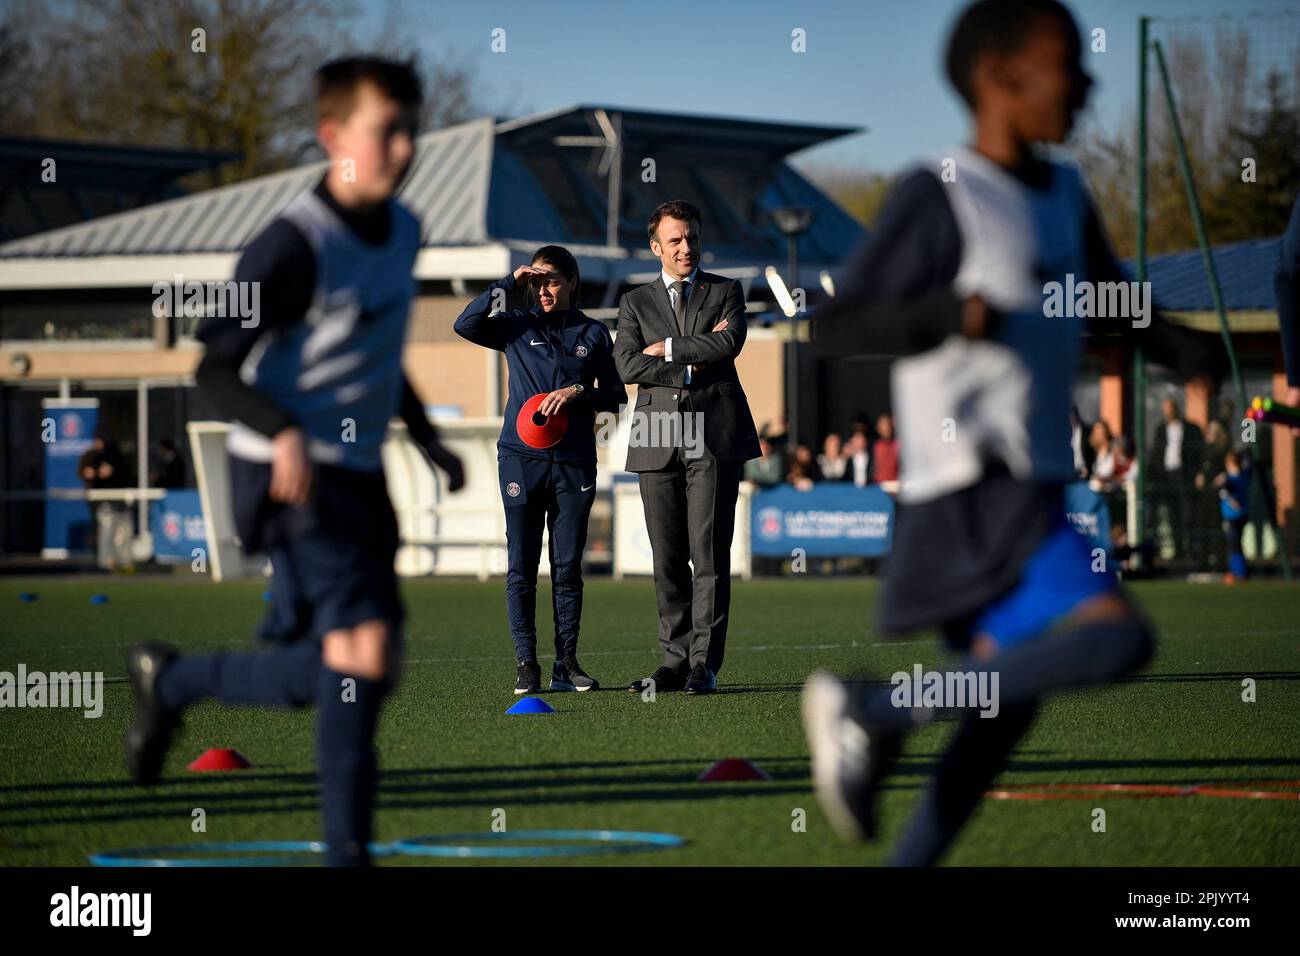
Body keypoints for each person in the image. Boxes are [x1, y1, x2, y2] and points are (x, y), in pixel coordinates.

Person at [799, 0, 1222, 866]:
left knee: (997, 713)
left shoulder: (1067, 190)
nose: (1088, 81)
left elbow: (1112, 303)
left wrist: (1188, 347)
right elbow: (836, 327)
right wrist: (947, 313)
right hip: (969, 487)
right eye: (1067, 62)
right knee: (1118, 638)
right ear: (999, 75)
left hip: (1031, 481)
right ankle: (875, 709)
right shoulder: (943, 190)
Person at [123, 57, 464, 867]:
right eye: (388, 131)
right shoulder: (291, 245)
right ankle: (349, 855)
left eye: (413, 130)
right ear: (332, 136)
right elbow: (210, 365)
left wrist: (424, 435)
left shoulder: (407, 227)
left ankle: (172, 682)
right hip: (283, 474)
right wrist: (279, 430)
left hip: (357, 473)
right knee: (363, 653)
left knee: (353, 669)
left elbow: (376, 353)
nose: (405, 148)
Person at [454, 245, 626, 694]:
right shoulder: (515, 324)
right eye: (536, 281)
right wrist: (509, 284)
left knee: (567, 566)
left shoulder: (592, 332)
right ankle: (526, 663)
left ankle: (565, 664)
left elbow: (614, 395)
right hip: (521, 459)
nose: (543, 290)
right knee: (521, 566)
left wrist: (576, 392)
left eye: (551, 280)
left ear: (571, 282)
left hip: (573, 463)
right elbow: (465, 323)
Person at [615, 199, 762, 695]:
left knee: (710, 556)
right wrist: (691, 360)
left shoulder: (727, 291)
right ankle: (674, 662)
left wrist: (670, 347)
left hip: (714, 432)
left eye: (692, 237)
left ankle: (704, 664)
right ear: (656, 246)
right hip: (656, 437)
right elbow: (628, 366)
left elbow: (730, 344)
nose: (686, 247)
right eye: (675, 239)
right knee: (667, 557)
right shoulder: (635, 302)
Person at [1148, 397, 1205, 565]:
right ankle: (1178, 550)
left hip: (1185, 475)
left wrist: (1198, 473)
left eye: (1170, 408)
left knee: (1188, 513)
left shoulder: (1191, 428)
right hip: (1166, 476)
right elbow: (1157, 454)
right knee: (1172, 515)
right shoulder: (1160, 429)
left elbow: (1198, 453)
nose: (1167, 412)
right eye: (1165, 408)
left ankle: (1193, 550)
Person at [79, 434, 131, 569]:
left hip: (119, 501)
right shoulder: (92, 456)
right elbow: (84, 471)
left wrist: (112, 470)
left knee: (122, 532)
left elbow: (126, 472)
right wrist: (90, 472)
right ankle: (105, 563)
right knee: (105, 532)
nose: (96, 444)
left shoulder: (117, 456)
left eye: (98, 441)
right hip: (101, 501)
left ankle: (123, 562)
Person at [1215, 448, 1251, 583]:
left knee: (1233, 544)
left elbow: (1226, 491)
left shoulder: (1231, 479)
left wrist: (1230, 498)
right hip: (1240, 514)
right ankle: (1238, 571)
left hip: (1234, 516)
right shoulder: (1243, 476)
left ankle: (1238, 572)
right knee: (1235, 543)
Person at [871, 413, 900, 483]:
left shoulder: (898, 445)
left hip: (895, 485)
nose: (886, 428)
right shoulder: (874, 446)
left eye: (888, 424)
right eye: (883, 425)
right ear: (878, 428)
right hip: (877, 486)